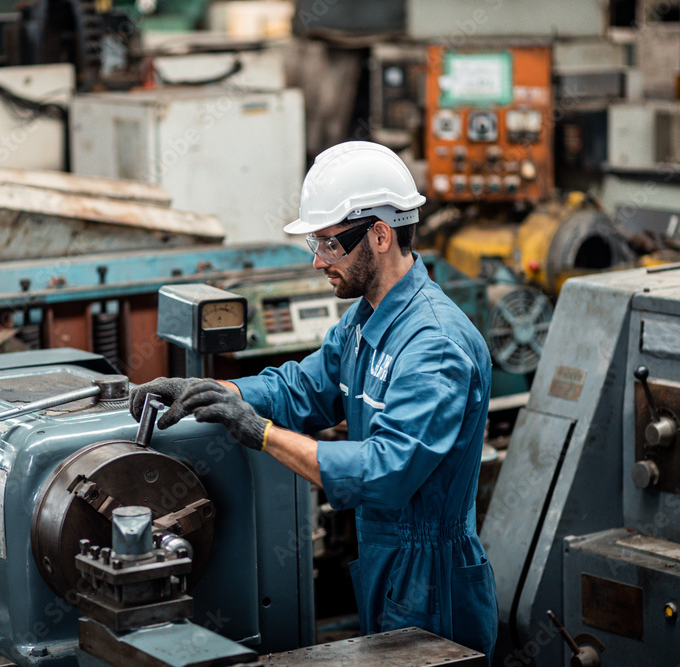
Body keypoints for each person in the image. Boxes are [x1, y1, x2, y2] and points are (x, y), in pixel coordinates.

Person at [129, 141, 497, 658]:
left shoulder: (433, 344)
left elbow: (386, 472)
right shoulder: (367, 320)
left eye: (329, 245)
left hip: (432, 579)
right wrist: (218, 393)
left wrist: (261, 433)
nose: (319, 261)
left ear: (381, 234)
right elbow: (305, 387)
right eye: (315, 245)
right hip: (385, 559)